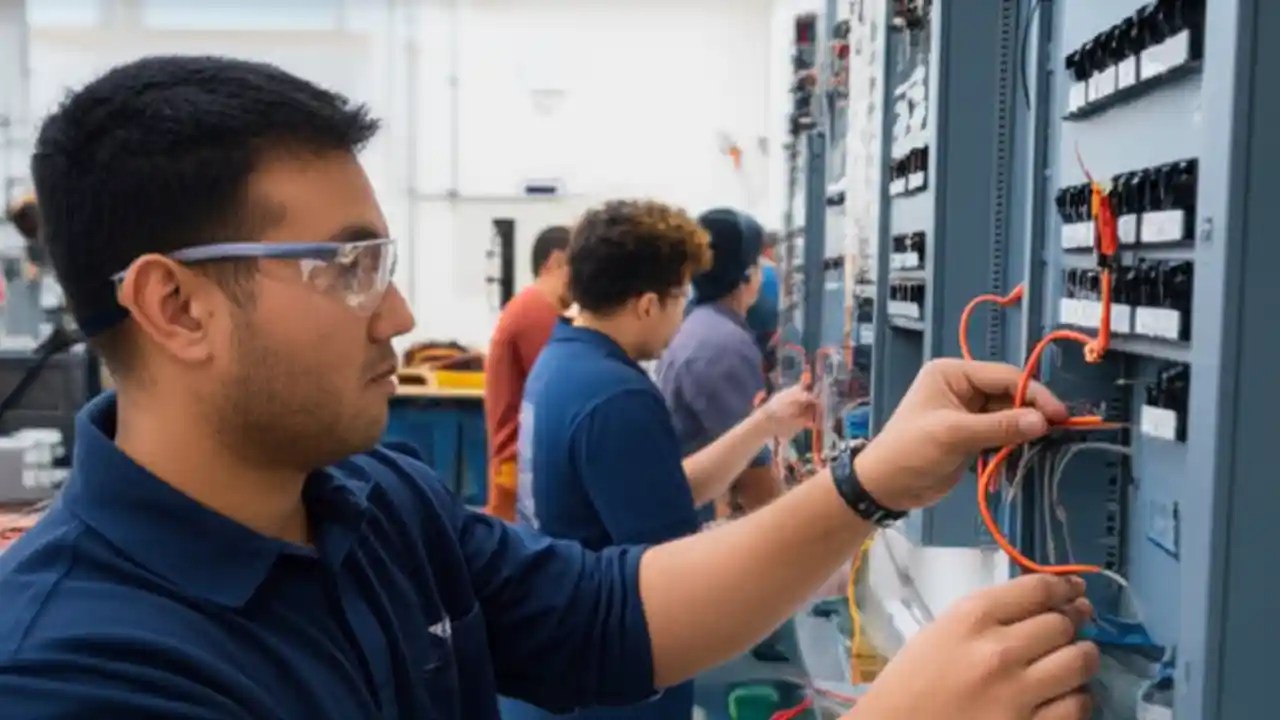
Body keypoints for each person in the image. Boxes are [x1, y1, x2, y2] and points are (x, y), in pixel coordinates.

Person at [0, 56, 1099, 720]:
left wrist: (870, 482)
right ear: (176, 306)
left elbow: (613, 615)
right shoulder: (78, 671)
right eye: (348, 268)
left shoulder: (372, 502)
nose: (397, 315)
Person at [506, 201, 814, 719]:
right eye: (680, 298)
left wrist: (763, 424)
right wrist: (817, 530)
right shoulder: (617, 395)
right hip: (608, 682)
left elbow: (656, 489)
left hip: (566, 656)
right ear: (648, 304)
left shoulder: (565, 363)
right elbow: (679, 573)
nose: (684, 314)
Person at [657, 208, 783, 521]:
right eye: (759, 261)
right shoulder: (722, 346)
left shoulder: (701, 325)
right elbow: (755, 478)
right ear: (746, 275)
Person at [483, 225, 571, 521]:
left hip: (518, 466)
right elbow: (561, 389)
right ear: (556, 262)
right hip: (519, 467)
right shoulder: (537, 310)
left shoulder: (529, 306)